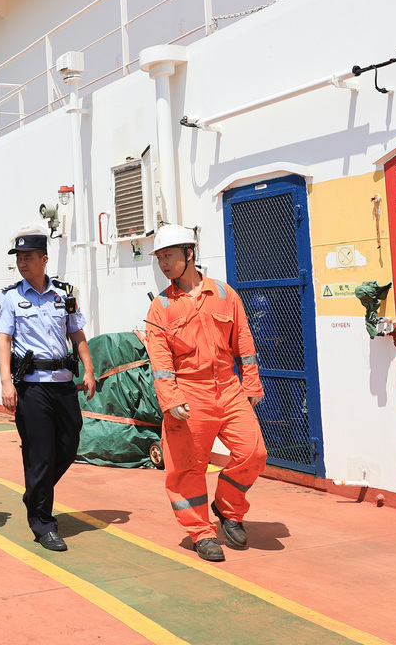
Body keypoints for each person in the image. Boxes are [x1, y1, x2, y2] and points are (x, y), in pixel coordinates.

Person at [144, 224, 267, 562]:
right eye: (159, 258)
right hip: (188, 391)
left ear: (190, 254)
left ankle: (228, 508)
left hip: (228, 388)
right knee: (188, 466)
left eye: (169, 255)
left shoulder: (225, 294)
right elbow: (160, 361)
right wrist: (171, 399)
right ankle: (201, 532)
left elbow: (244, 341)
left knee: (253, 452)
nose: (163, 264)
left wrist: (251, 382)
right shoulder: (161, 306)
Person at [0, 233, 96, 551]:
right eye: (19, 258)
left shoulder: (65, 294)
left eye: (29, 257)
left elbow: (76, 333)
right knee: (39, 454)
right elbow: (4, 341)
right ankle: (43, 524)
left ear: (44, 259)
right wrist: (6, 383)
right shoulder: (10, 297)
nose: (22, 263)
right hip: (31, 386)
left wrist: (89, 370)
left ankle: (35, 493)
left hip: (63, 383)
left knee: (69, 443)